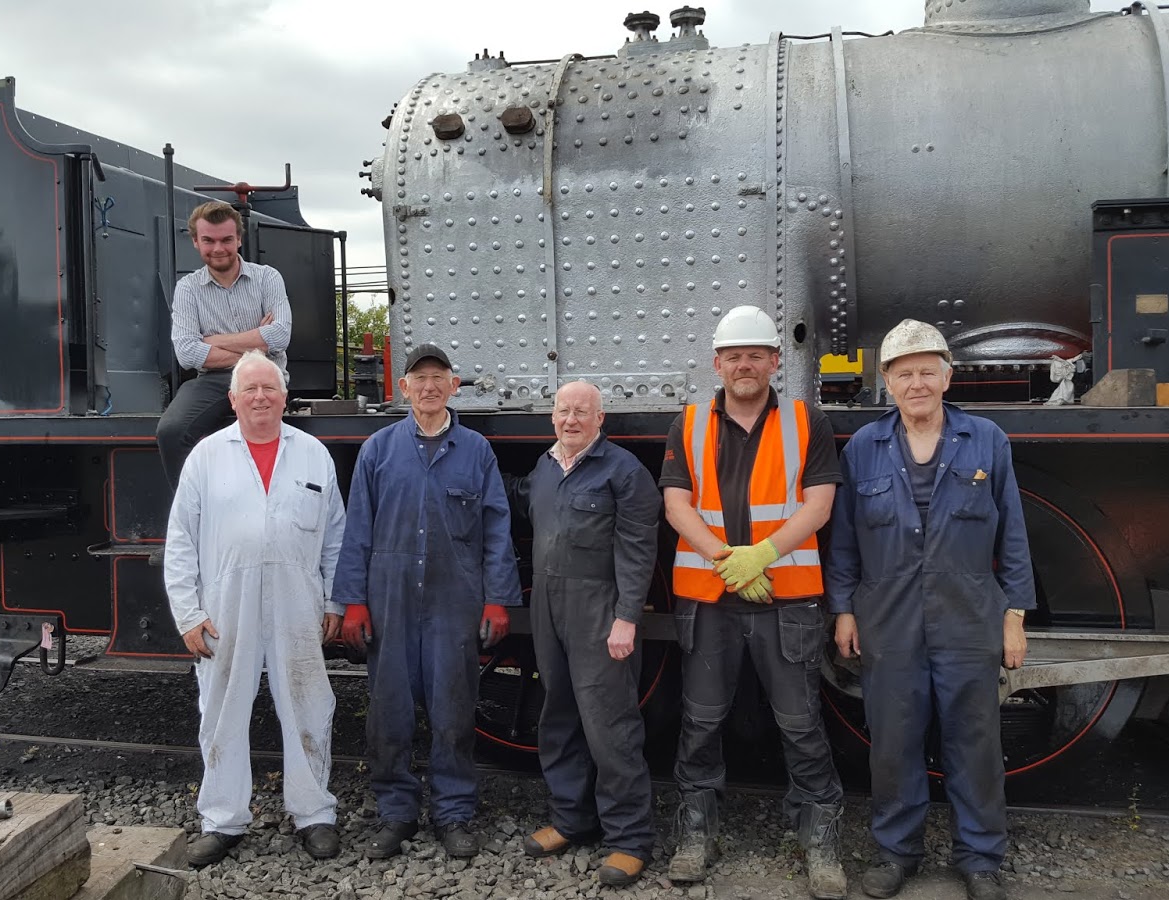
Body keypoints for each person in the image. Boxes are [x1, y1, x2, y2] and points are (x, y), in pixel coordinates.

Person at [825, 319, 1034, 900]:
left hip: (968, 613)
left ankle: (981, 858)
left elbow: (1012, 533)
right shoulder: (865, 447)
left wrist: (1014, 615)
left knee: (974, 738)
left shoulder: (986, 439)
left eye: (926, 372)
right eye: (903, 374)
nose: (916, 383)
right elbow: (843, 539)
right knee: (893, 740)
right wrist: (843, 609)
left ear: (946, 376)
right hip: (887, 616)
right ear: (886, 383)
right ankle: (896, 853)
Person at [659, 306, 847, 900]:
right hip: (711, 600)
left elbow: (818, 505)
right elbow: (676, 506)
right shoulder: (687, 424)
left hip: (785, 598)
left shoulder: (804, 420)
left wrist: (761, 554)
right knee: (700, 721)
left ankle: (819, 840)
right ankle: (696, 835)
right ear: (717, 363)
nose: (744, 365)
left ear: (773, 361)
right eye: (733, 356)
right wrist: (728, 560)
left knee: (801, 723)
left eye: (755, 355)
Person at [332, 343, 522, 860]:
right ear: (405, 389)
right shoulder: (378, 450)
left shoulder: (477, 451)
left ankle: (454, 812)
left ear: (453, 386)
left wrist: (498, 599)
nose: (430, 387)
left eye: (439, 378)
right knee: (388, 713)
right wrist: (353, 601)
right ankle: (396, 812)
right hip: (389, 599)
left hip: (453, 600)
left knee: (454, 711)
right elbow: (358, 532)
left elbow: (496, 530)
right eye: (421, 379)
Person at [164, 350, 345, 867]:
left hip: (297, 604)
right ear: (233, 399)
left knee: (309, 706)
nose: (261, 397)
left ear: (285, 397)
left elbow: (336, 537)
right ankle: (223, 820)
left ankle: (315, 815)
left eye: (270, 388)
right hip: (225, 607)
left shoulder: (313, 454)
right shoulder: (206, 456)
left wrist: (334, 598)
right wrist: (188, 613)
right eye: (251, 390)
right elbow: (180, 541)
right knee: (221, 712)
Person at [505, 381, 661, 888]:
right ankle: (573, 819)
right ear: (552, 417)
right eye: (563, 411)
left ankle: (630, 839)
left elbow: (638, 552)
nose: (571, 420)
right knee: (559, 714)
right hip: (548, 603)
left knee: (609, 724)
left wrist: (626, 617)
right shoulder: (546, 469)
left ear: (601, 419)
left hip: (599, 608)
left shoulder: (624, 472)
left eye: (582, 412)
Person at [157, 201, 293, 490]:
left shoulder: (268, 277)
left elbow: (280, 336)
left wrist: (213, 341)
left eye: (226, 240)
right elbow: (186, 353)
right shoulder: (188, 289)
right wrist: (257, 341)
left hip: (266, 374)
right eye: (208, 240)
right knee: (171, 431)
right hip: (214, 379)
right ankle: (195, 511)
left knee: (264, 431)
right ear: (195, 241)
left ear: (239, 239)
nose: (218, 248)